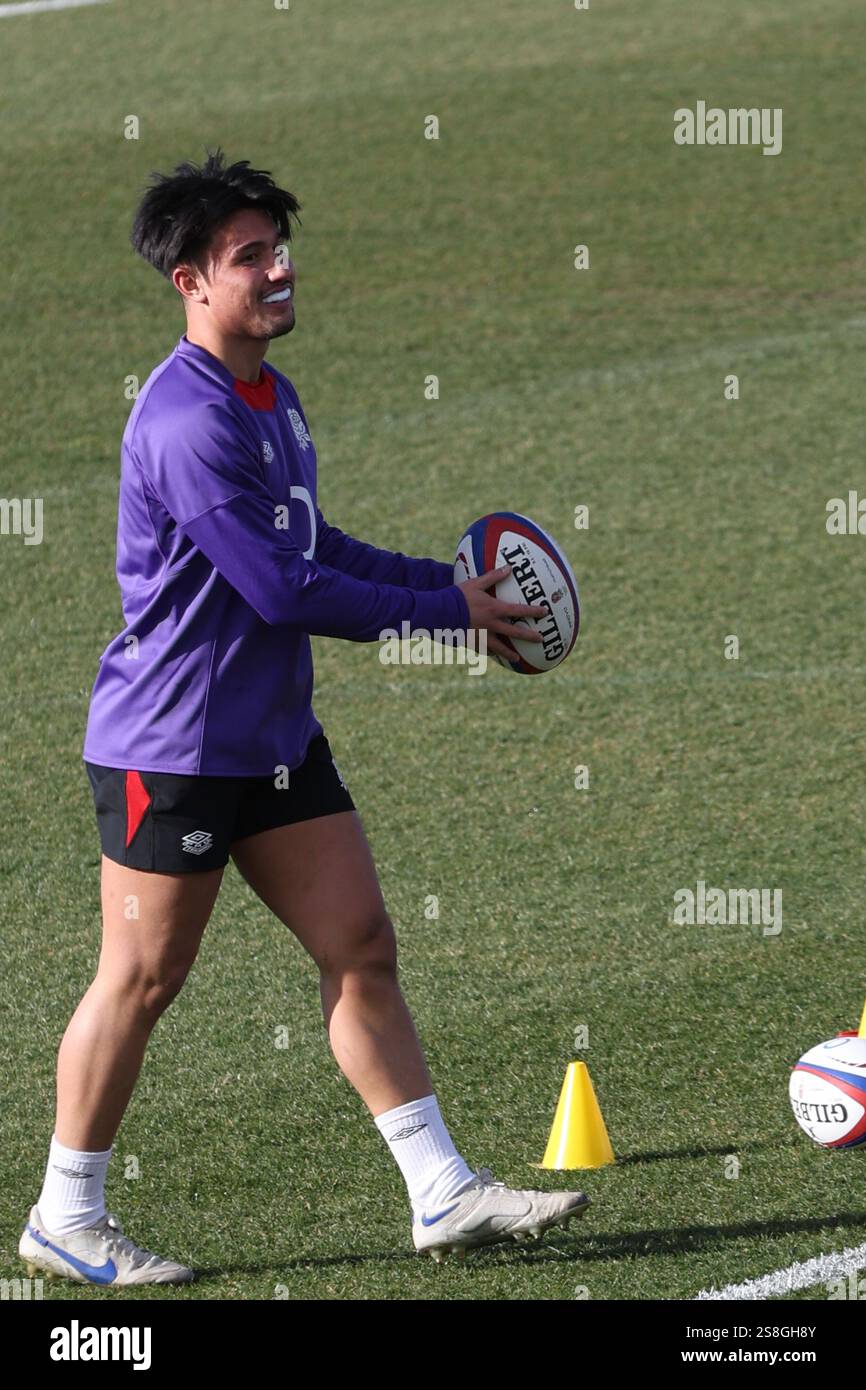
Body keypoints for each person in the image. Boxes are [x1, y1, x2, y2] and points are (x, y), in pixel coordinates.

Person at [19, 149, 591, 1286]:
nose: (277, 271)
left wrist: (448, 589)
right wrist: (444, 613)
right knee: (139, 980)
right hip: (170, 750)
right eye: (249, 258)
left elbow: (316, 548)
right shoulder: (188, 422)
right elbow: (281, 592)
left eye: (280, 250)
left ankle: (441, 1190)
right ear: (189, 280)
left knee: (359, 943)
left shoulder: (270, 398)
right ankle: (64, 1216)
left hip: (273, 738)